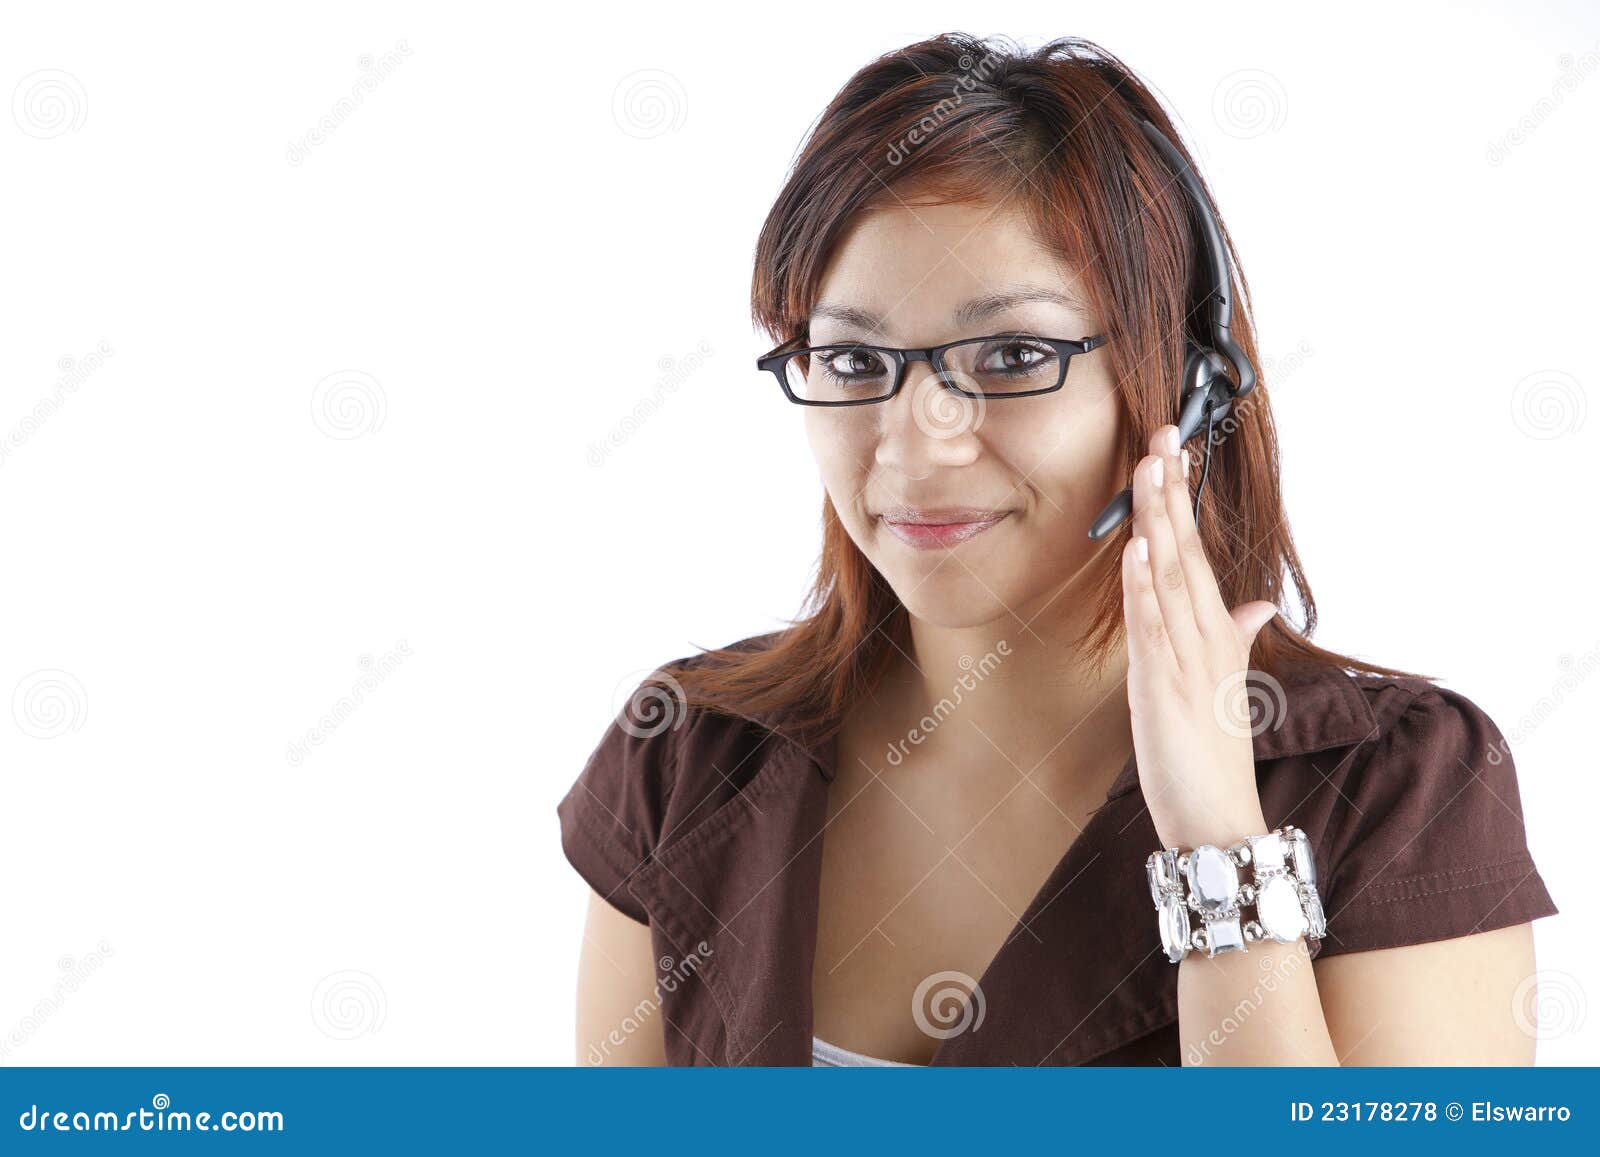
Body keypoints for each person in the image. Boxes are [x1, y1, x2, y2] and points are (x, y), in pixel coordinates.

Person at [559, 32, 1559, 1066]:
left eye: (1014, 353)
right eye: (854, 358)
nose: (917, 438)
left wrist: (1219, 843)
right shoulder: (686, 756)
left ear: (1181, 385)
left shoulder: (1401, 787)